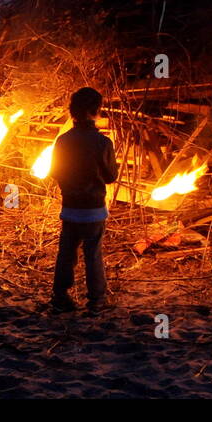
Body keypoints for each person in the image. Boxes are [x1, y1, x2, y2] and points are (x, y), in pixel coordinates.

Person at [48, 87, 118, 313]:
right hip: (94, 209)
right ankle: (97, 299)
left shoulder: (63, 141)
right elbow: (110, 177)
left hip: (70, 207)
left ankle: (60, 296)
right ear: (96, 110)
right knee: (93, 253)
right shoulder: (103, 143)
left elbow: (55, 172)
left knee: (66, 252)